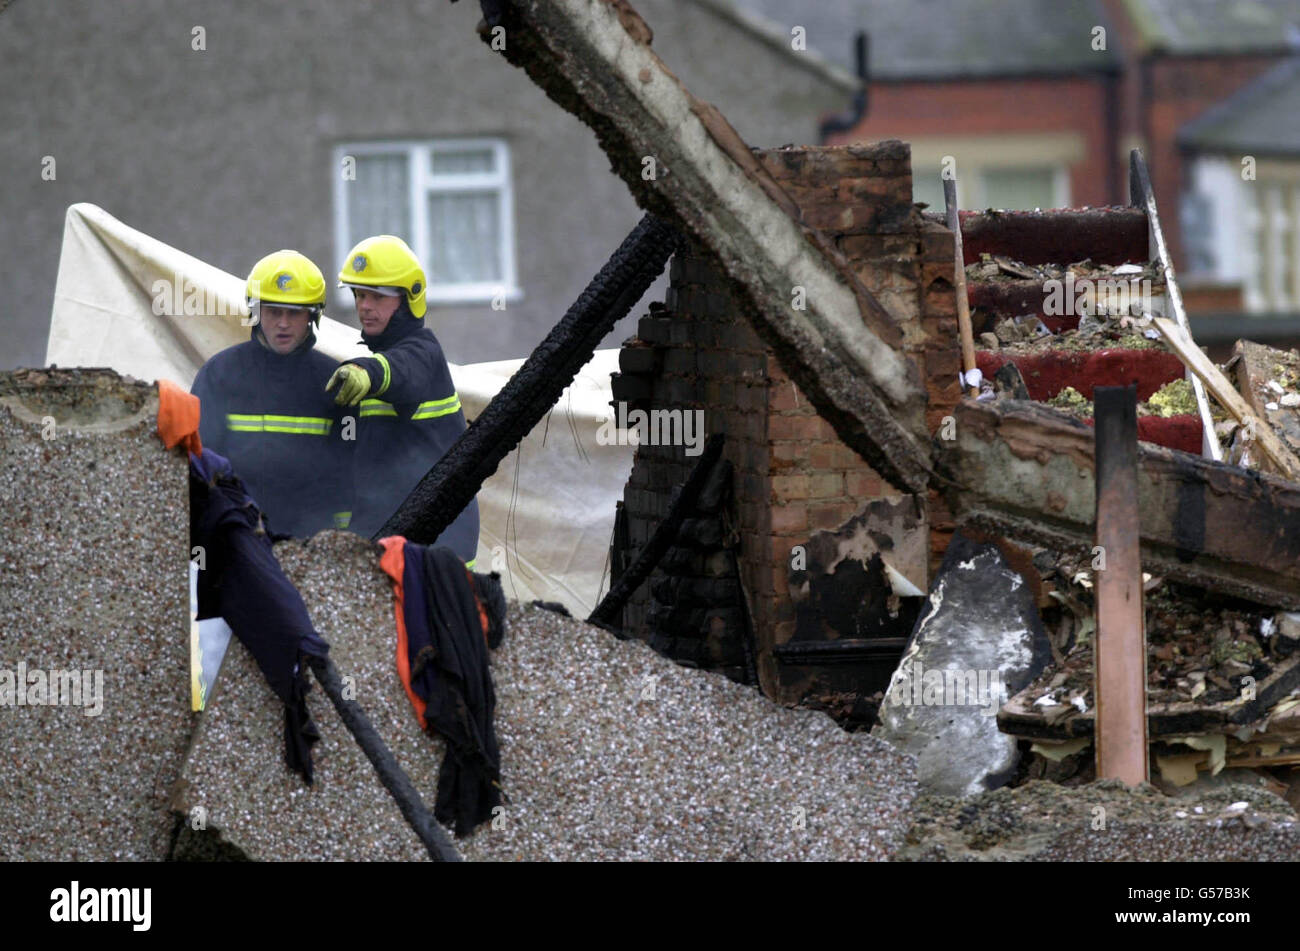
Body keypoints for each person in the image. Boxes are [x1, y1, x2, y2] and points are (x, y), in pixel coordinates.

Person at [326, 235, 480, 565]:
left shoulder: (424, 354)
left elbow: (400, 371)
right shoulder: (380, 361)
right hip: (396, 538)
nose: (364, 306)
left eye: (378, 296)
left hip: (439, 545)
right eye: (360, 294)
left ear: (410, 299)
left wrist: (366, 372)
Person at [191, 250, 352, 537]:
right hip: (237, 536)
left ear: (313, 316)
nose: (283, 323)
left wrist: (342, 536)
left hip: (312, 540)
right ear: (255, 312)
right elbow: (200, 462)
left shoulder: (334, 381)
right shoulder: (220, 374)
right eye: (273, 311)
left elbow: (348, 472)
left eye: (294, 313)